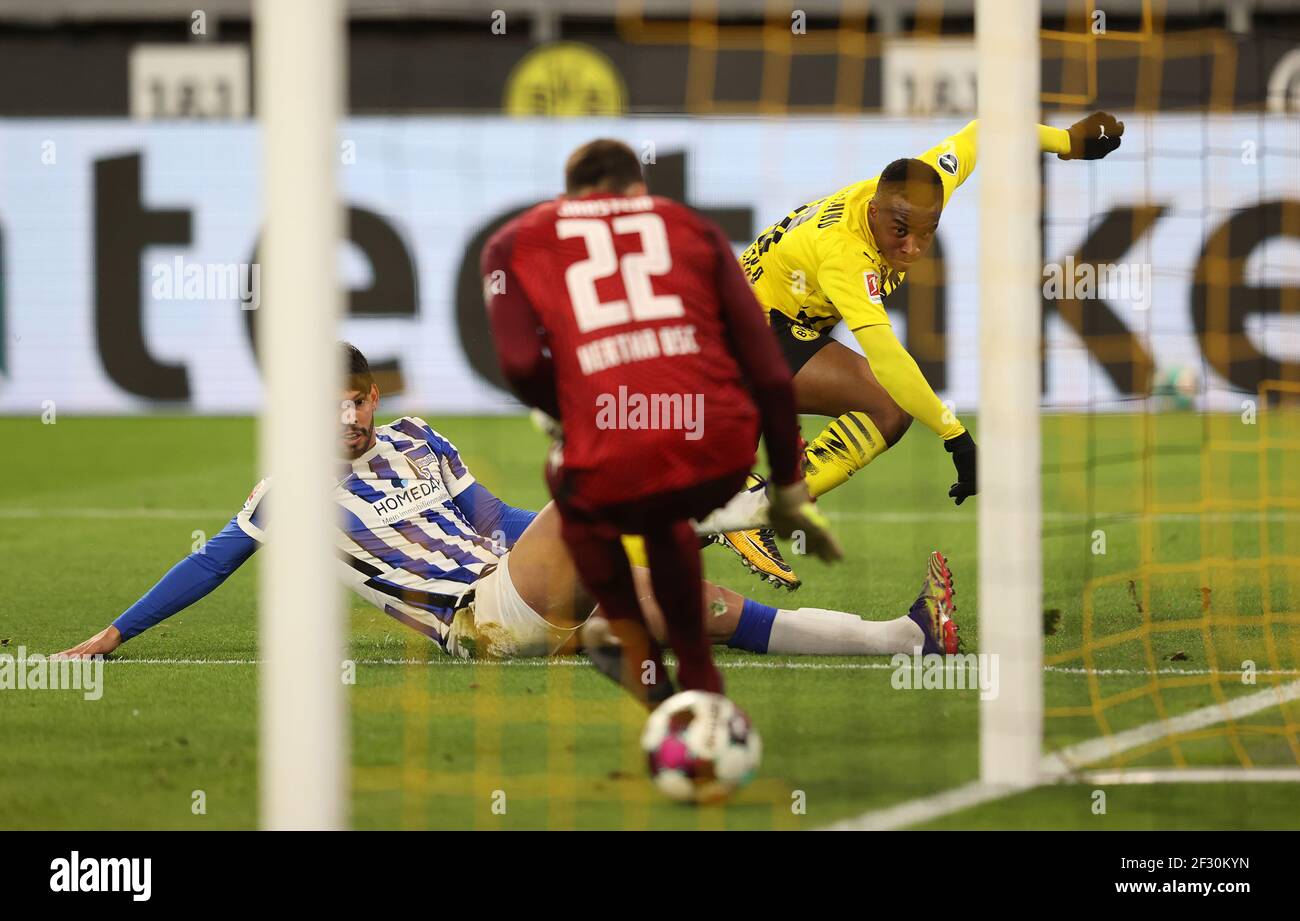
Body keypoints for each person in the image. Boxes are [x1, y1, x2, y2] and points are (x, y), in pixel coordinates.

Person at [56, 342, 958, 663]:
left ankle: (904, 635)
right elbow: (210, 561)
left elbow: (499, 522)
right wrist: (112, 633)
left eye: (347, 404)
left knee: (713, 612)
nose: (336, 423)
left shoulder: (416, 437)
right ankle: (717, 508)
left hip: (532, 588)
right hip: (481, 619)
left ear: (368, 400)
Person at [483, 138, 843, 705]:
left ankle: (638, 653)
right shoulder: (688, 227)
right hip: (716, 438)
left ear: (567, 196)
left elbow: (521, 363)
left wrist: (563, 413)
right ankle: (700, 680)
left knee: (573, 482)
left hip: (616, 432)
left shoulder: (515, 240)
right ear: (639, 191)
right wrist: (791, 489)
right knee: (663, 507)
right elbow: (771, 375)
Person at [725, 112, 1126, 578]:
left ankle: (746, 506)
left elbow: (984, 132)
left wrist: (1068, 142)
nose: (913, 248)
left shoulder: (920, 186)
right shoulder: (844, 255)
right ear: (874, 210)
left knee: (696, 508)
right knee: (889, 406)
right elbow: (888, 358)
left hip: (772, 319)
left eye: (926, 232)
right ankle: (760, 506)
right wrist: (955, 436)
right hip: (741, 329)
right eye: (901, 231)